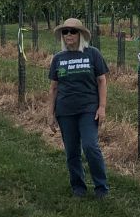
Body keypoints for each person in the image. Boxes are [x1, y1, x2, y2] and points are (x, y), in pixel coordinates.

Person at [47, 17, 109, 199]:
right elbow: (53, 87)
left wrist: (102, 107)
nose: (68, 35)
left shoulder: (93, 54)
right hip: (65, 111)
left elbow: (102, 80)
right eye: (65, 32)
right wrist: (50, 113)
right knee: (72, 151)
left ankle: (101, 187)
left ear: (80, 34)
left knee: (91, 146)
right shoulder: (58, 58)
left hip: (88, 109)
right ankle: (78, 187)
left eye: (72, 31)